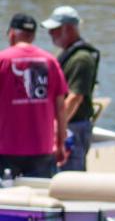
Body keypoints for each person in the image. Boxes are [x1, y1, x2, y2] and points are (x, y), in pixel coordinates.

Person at [0, 13, 68, 179]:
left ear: (12, 34)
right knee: (40, 199)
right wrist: (60, 143)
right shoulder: (50, 61)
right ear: (33, 36)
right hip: (42, 148)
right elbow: (61, 107)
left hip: (6, 148)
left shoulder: (3, 60)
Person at [43, 5, 98, 172]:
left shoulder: (81, 59)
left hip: (74, 126)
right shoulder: (68, 54)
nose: (50, 34)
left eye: (54, 29)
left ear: (67, 29)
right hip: (67, 124)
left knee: (70, 174)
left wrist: (55, 129)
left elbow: (75, 98)